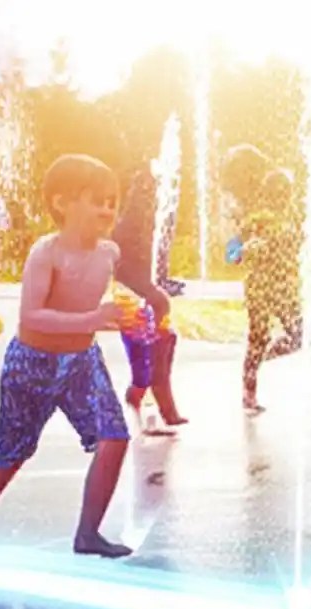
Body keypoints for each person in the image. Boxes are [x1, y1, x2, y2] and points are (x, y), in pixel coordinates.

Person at [0, 154, 134, 558]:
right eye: (96, 200)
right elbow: (31, 314)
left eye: (112, 200)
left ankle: (88, 534)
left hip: (82, 362)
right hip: (31, 364)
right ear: (61, 203)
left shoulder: (109, 253)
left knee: (114, 437)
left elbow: (127, 293)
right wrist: (93, 317)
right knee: (11, 452)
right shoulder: (46, 253)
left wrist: (140, 311)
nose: (107, 209)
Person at [219, 145, 304, 413]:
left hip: (284, 289)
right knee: (259, 338)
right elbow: (230, 253)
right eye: (282, 193)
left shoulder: (291, 220)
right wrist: (242, 250)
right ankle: (249, 391)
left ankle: (262, 361)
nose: (285, 198)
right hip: (260, 288)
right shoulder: (257, 220)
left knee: (297, 335)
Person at [111, 166, 187, 431]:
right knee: (151, 351)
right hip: (133, 301)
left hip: (144, 298)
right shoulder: (129, 226)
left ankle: (153, 401)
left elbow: (152, 268)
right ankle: (146, 398)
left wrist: (161, 286)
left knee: (163, 341)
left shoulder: (143, 224)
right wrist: (150, 291)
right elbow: (124, 269)